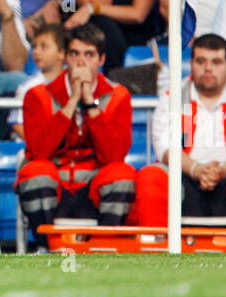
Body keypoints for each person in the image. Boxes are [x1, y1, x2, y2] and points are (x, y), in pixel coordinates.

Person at [133, 33, 226, 229]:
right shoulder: (173, 96)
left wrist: (223, 170)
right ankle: (152, 251)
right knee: (151, 175)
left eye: (216, 62)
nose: (208, 68)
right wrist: (197, 170)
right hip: (185, 177)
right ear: (191, 64)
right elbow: (164, 149)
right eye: (201, 61)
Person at [16, 22, 137, 249]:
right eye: (75, 54)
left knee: (122, 173)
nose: (81, 62)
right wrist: (71, 103)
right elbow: (39, 152)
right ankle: (48, 247)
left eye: (89, 55)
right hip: (57, 186)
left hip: (94, 187)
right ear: (66, 57)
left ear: (101, 60)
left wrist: (91, 103)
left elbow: (113, 156)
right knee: (35, 170)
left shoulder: (117, 96)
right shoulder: (38, 95)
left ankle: (104, 248)